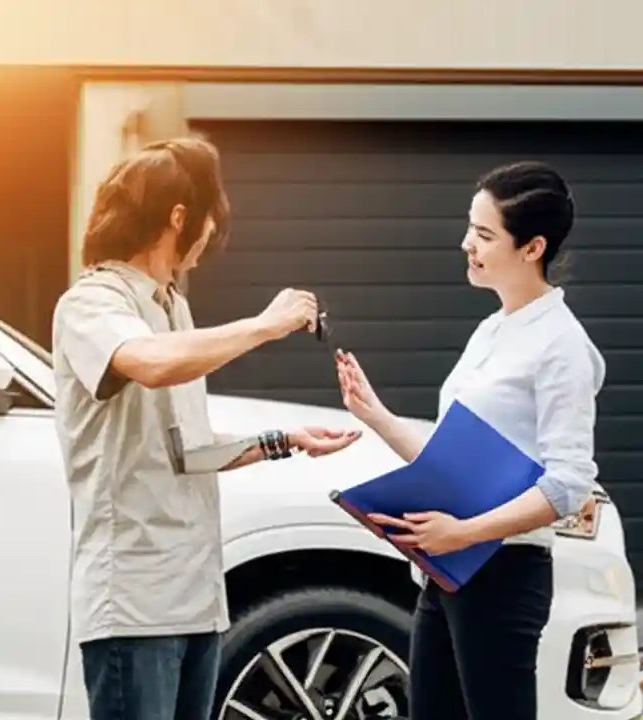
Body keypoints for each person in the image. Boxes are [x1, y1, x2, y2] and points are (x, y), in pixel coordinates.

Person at [52, 136, 363, 720]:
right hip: (135, 605)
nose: (211, 237)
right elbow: (148, 362)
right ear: (179, 218)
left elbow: (187, 453)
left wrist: (283, 442)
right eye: (210, 219)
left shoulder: (173, 308)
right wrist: (265, 325)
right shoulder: (92, 302)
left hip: (196, 599)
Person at [335, 160, 601, 720]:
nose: (467, 244)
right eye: (469, 228)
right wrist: (375, 413)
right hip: (449, 570)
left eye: (484, 235)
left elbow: (571, 485)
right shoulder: (492, 329)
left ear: (532, 248)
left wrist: (464, 533)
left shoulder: (562, 347)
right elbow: (451, 465)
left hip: (503, 574)